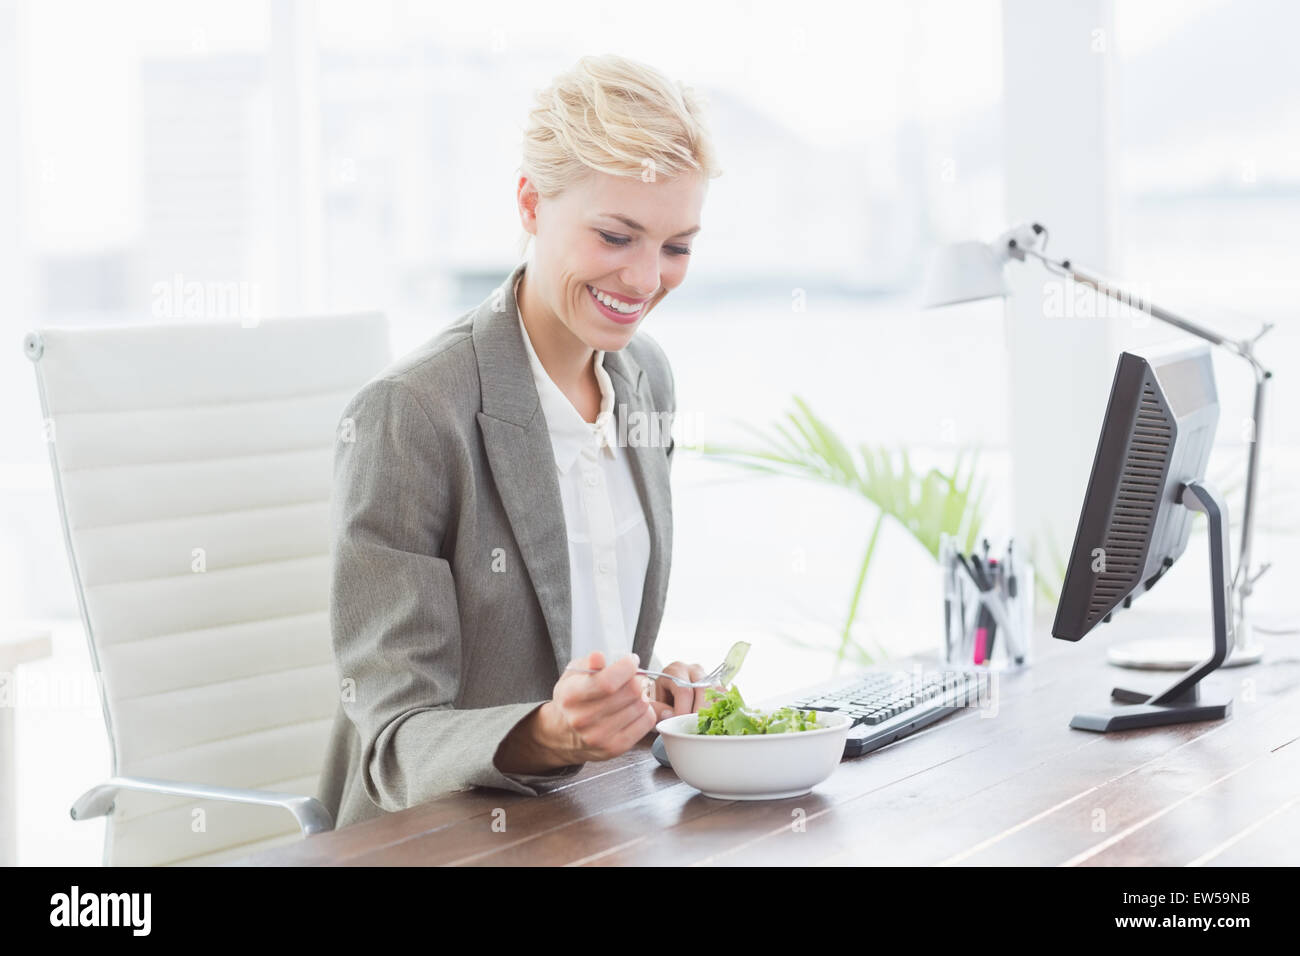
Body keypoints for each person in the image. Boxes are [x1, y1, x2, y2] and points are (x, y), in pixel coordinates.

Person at [317, 54, 724, 828]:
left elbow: (585, 636)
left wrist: (641, 700)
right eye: (615, 235)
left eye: (676, 247)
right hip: (443, 837)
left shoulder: (645, 381)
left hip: (594, 820)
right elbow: (394, 745)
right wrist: (551, 733)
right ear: (531, 204)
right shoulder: (411, 414)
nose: (644, 280)